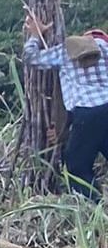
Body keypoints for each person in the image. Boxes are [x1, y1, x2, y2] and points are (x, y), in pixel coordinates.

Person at [23, 13, 108, 198]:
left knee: (76, 166)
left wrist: (36, 35)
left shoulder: (67, 51)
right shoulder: (106, 49)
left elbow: (30, 57)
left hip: (87, 113)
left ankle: (96, 207)